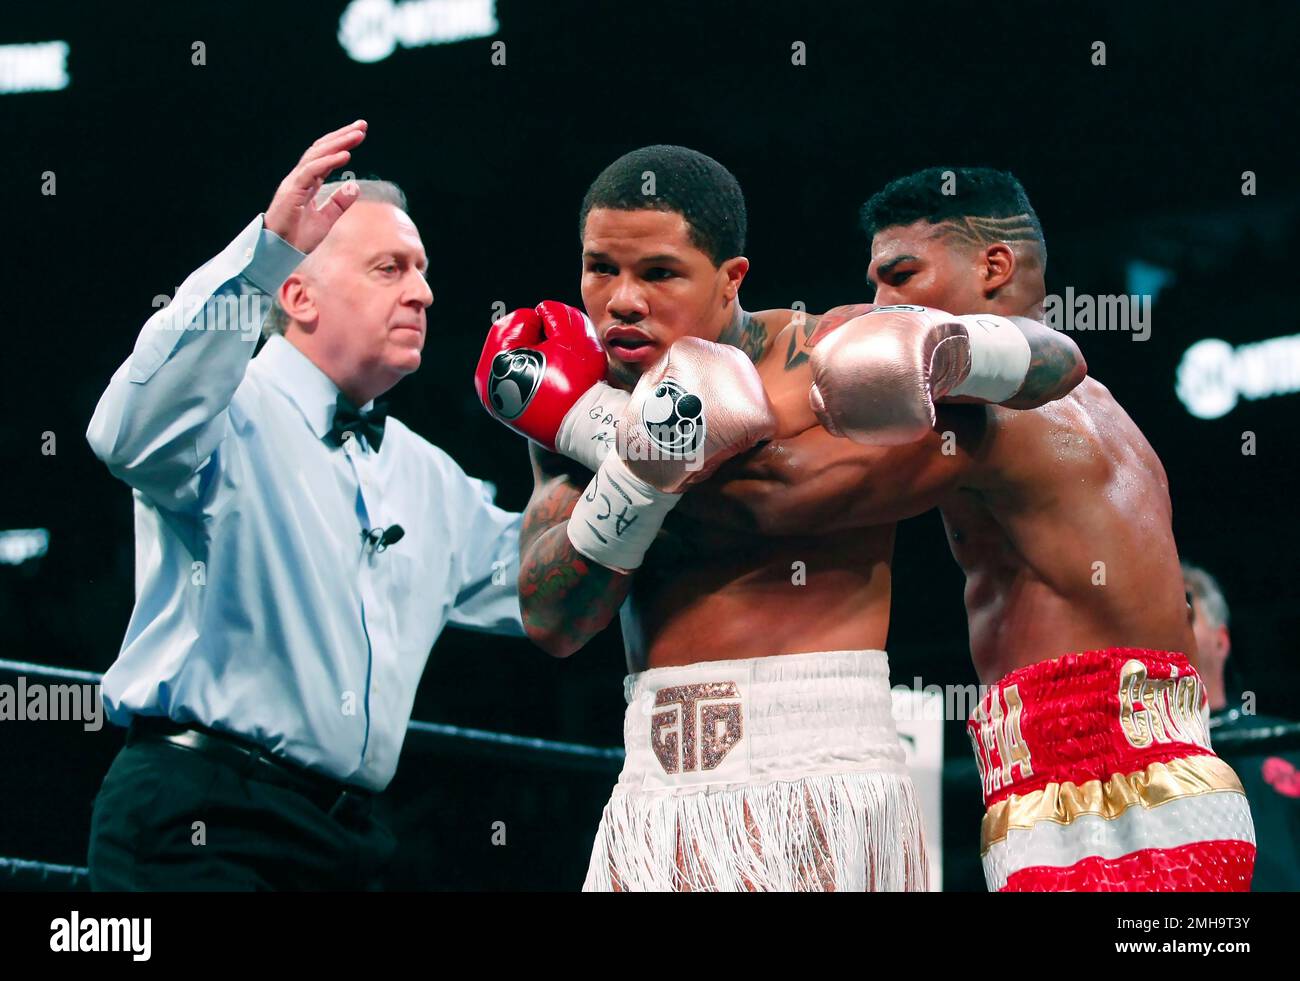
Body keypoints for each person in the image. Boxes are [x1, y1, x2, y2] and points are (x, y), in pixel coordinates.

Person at [475, 146, 1086, 891]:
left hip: (823, 776)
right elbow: (552, 620)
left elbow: (1057, 364)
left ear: (730, 278)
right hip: (656, 790)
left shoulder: (822, 349)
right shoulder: (578, 398)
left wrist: (948, 348)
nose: (622, 300)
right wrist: (632, 467)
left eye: (658, 273)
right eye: (601, 268)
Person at [85, 121, 524, 890]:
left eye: (421, 270)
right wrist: (265, 250)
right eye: (390, 268)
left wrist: (607, 448)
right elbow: (122, 432)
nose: (423, 291)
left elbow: (546, 588)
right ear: (297, 294)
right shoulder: (221, 412)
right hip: (197, 825)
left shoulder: (430, 477)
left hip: (349, 844)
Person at [809, 166, 1256, 891]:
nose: (881, 304)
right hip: (1186, 779)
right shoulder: (1114, 416)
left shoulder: (980, 415)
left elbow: (803, 503)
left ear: (994, 266)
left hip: (1076, 797)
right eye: (875, 285)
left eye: (900, 275)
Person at [1183, 561, 1299, 891]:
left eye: (1186, 610)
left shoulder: (1286, 744)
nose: (1169, 625)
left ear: (1221, 641)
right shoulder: (1135, 758)